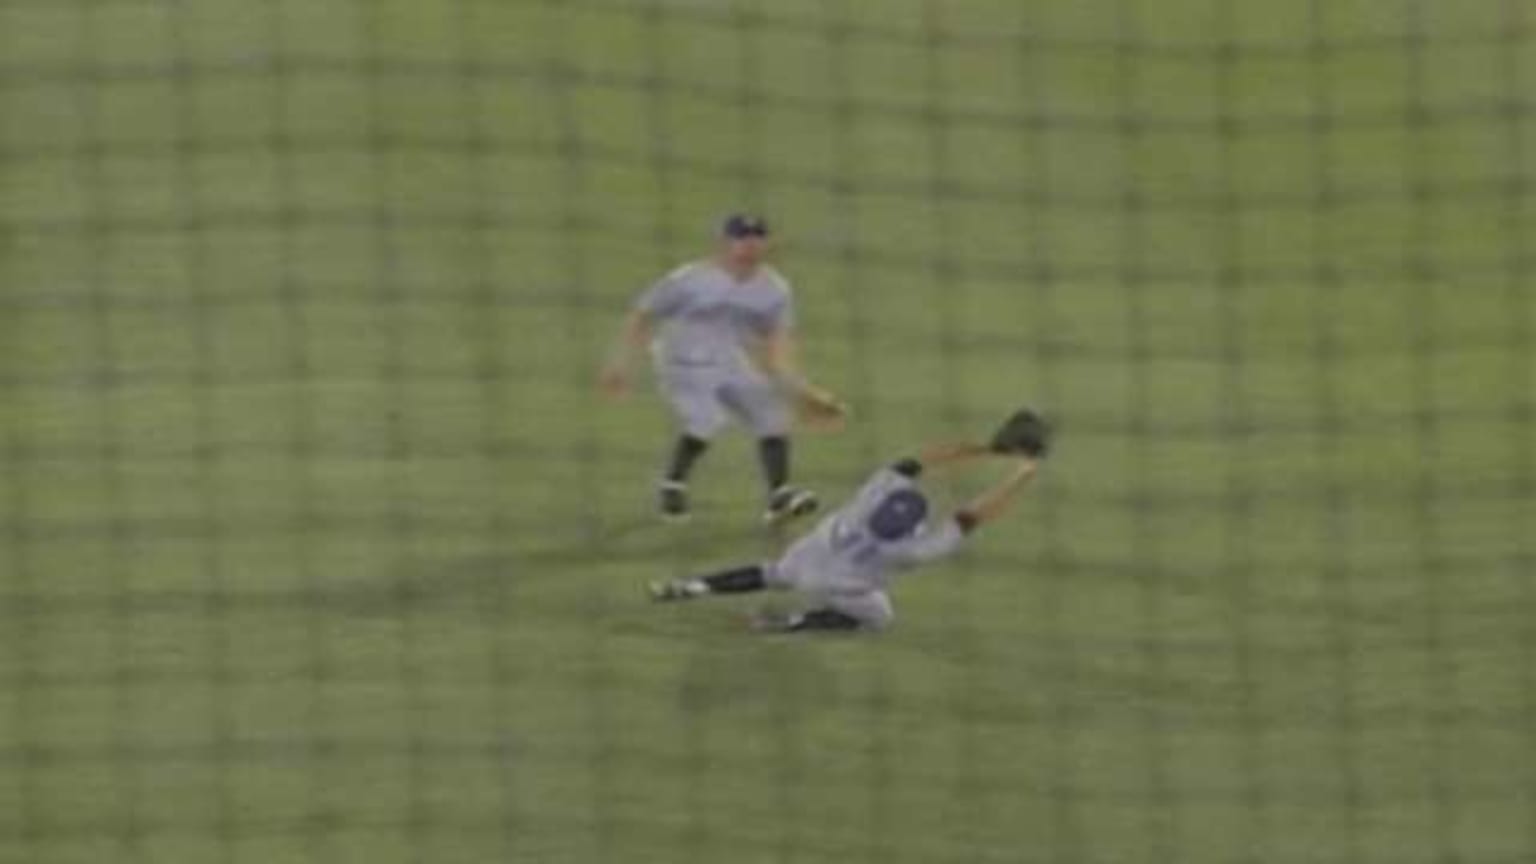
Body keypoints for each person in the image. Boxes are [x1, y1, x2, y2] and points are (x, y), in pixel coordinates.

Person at [647, 437, 1044, 633]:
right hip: (840, 588)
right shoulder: (912, 551)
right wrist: (1022, 473)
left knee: (773, 572)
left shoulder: (873, 494)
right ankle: (787, 624)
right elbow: (976, 513)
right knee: (880, 617)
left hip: (808, 556)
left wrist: (987, 447)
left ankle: (692, 585)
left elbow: (917, 461)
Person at [600, 214, 847, 525]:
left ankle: (780, 496)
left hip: (729, 358)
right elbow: (642, 315)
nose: (748, 246)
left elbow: (777, 351)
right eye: (740, 238)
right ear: (724, 243)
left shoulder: (774, 290)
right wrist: (621, 364)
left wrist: (806, 394)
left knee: (771, 414)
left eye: (756, 238)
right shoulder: (690, 279)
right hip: (680, 359)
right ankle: (673, 485)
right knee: (706, 419)